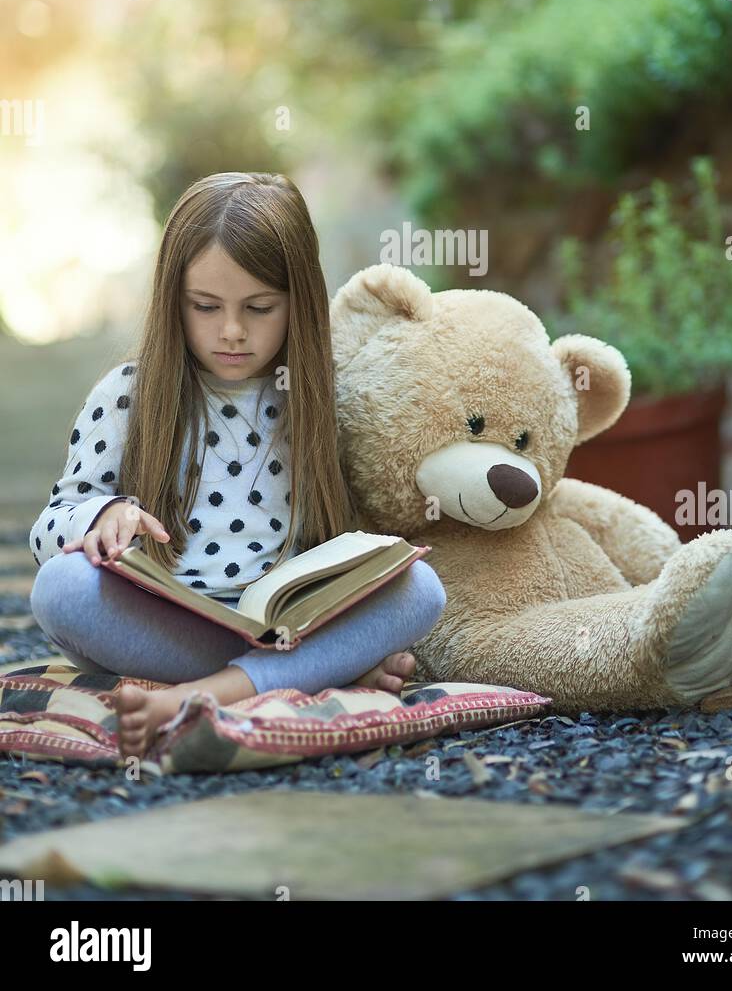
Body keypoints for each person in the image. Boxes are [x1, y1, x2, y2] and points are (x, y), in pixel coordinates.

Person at [29, 171, 446, 759]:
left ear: (297, 301)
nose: (231, 331)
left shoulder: (322, 399)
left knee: (421, 587)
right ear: (173, 300)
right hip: (169, 625)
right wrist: (99, 516)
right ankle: (296, 676)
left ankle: (204, 693)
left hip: (286, 625)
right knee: (61, 589)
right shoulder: (128, 395)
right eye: (205, 306)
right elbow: (51, 527)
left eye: (258, 307)